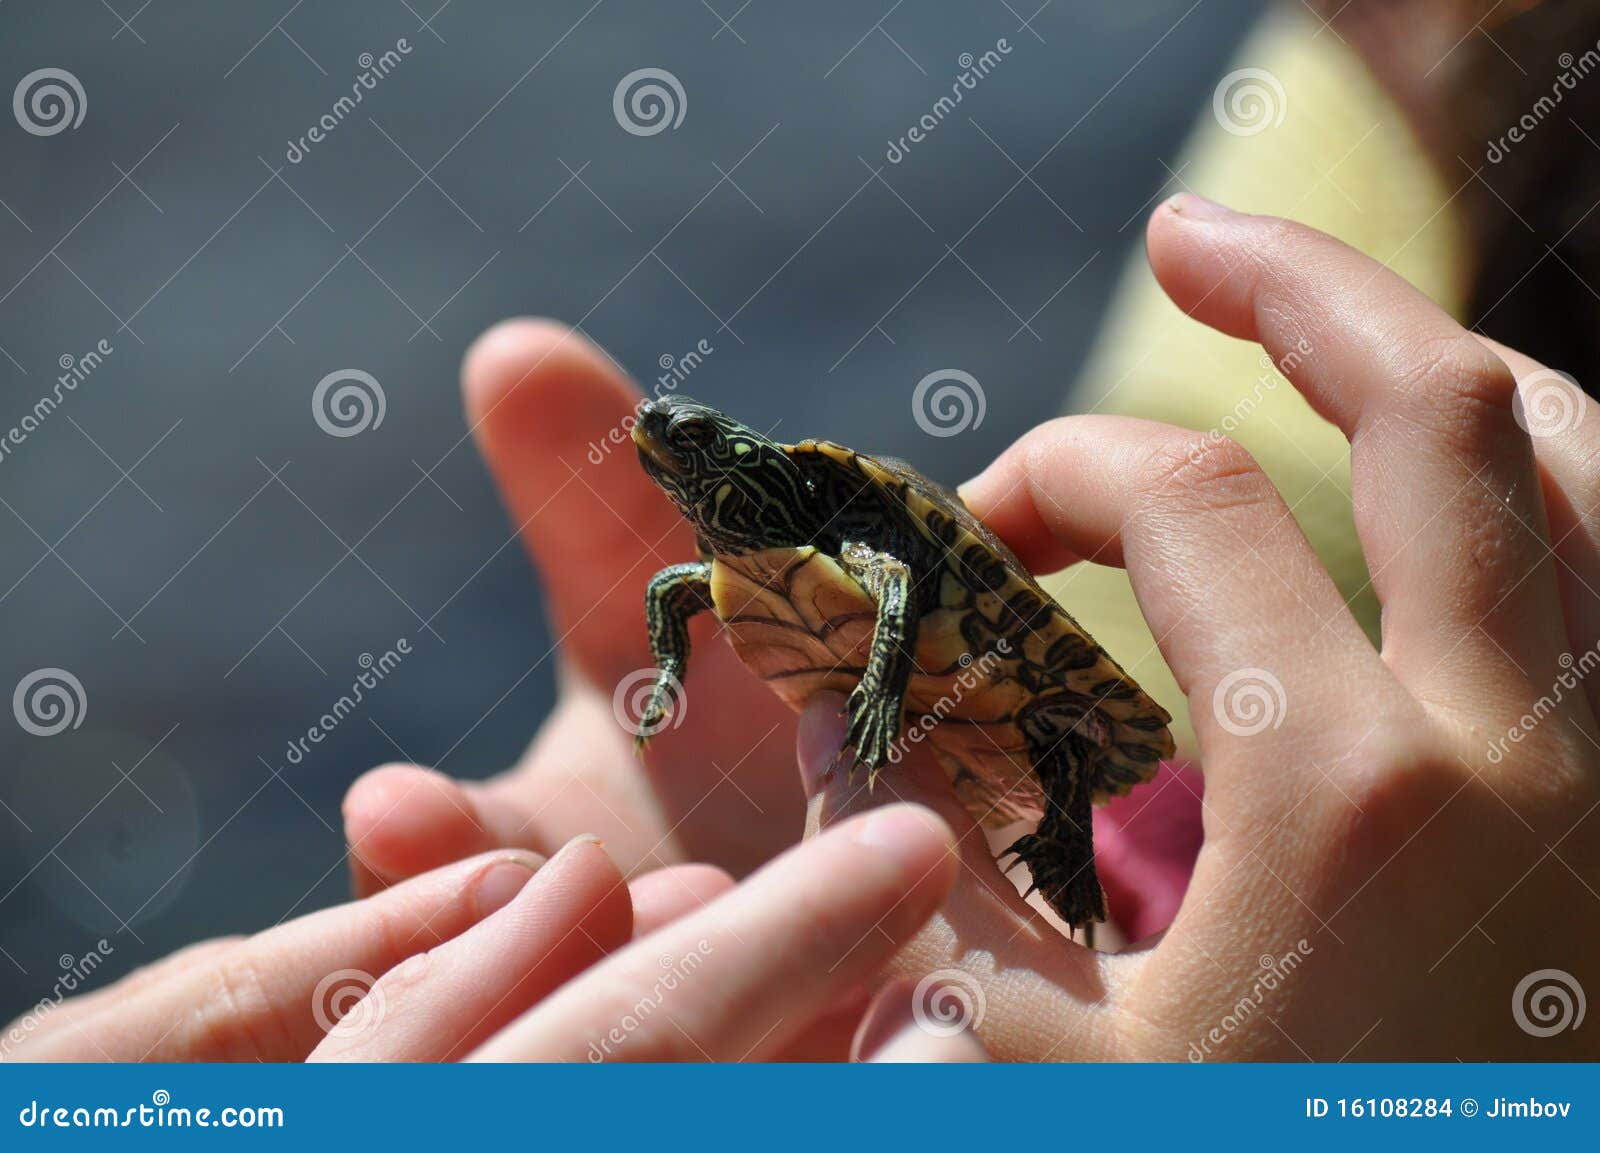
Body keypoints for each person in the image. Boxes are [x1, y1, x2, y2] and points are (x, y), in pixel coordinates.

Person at [11, 196, 1598, 1060]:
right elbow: (690, 588)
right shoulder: (716, 559)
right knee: (1061, 815)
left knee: (1060, 769)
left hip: (989, 658)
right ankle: (1093, 887)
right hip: (944, 746)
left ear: (740, 466)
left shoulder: (818, 510)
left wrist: (890, 688)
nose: (681, 465)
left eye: (699, 454)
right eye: (680, 459)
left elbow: (896, 584)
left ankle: (1087, 880)